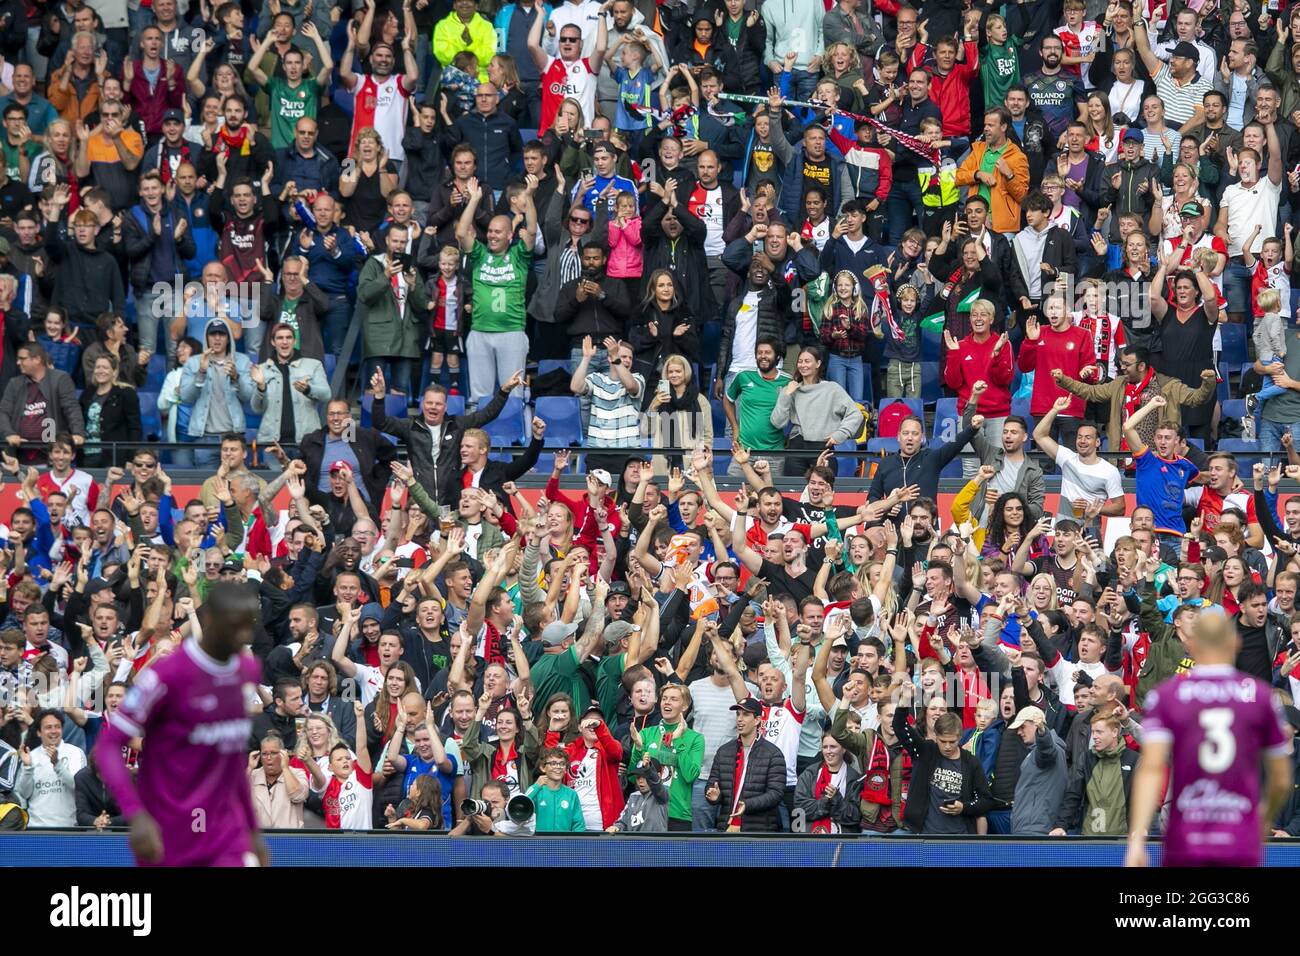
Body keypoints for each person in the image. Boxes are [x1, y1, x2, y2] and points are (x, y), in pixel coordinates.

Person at [93, 581, 268, 865]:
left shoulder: (247, 670)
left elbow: (232, 760)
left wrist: (252, 830)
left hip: (225, 832)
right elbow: (108, 747)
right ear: (210, 619)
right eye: (235, 625)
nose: (243, 634)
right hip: (169, 831)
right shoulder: (166, 676)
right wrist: (135, 814)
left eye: (249, 625)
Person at [770, 345, 864, 477]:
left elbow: (856, 414)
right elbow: (777, 422)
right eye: (800, 361)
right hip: (797, 446)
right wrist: (786, 395)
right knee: (794, 493)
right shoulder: (791, 389)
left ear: (818, 363)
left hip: (823, 446)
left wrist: (840, 434)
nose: (803, 365)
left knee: (823, 490)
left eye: (807, 361)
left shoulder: (832, 388)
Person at [704, 697, 787, 832]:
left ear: (757, 720)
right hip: (727, 827)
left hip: (758, 831)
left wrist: (748, 805)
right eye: (738, 714)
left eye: (746, 714)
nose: (739, 719)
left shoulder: (773, 754)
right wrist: (714, 795)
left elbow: (776, 793)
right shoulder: (724, 751)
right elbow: (712, 784)